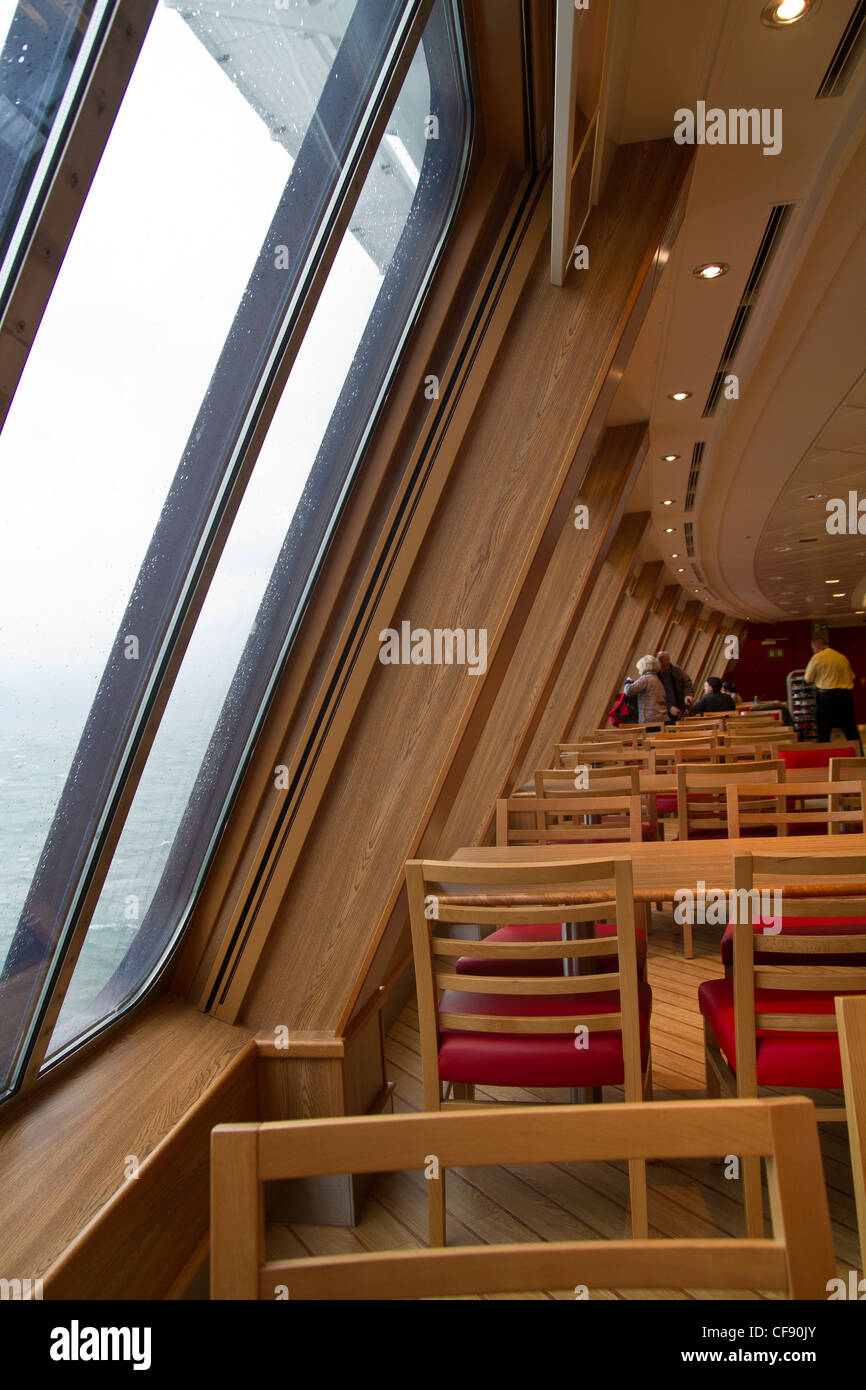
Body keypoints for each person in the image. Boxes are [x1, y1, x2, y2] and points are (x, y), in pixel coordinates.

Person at [804, 635, 863, 751]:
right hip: (845, 696)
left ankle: (824, 755)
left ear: (816, 647)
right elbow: (851, 676)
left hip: (826, 697)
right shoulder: (841, 657)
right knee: (850, 728)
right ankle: (859, 754)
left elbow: (808, 679)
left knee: (824, 730)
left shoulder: (817, 658)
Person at [624, 655, 669, 728]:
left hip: (650, 720)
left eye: (639, 669)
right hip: (661, 718)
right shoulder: (656, 679)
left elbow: (628, 691)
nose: (639, 671)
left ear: (643, 667)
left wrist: (627, 682)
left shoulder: (645, 679)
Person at [656, 649, 694, 721]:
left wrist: (688, 695)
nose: (666, 668)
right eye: (663, 666)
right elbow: (656, 697)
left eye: (667, 664)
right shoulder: (655, 675)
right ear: (658, 664)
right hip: (664, 712)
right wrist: (669, 707)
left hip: (680, 705)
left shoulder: (676, 670)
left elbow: (687, 683)